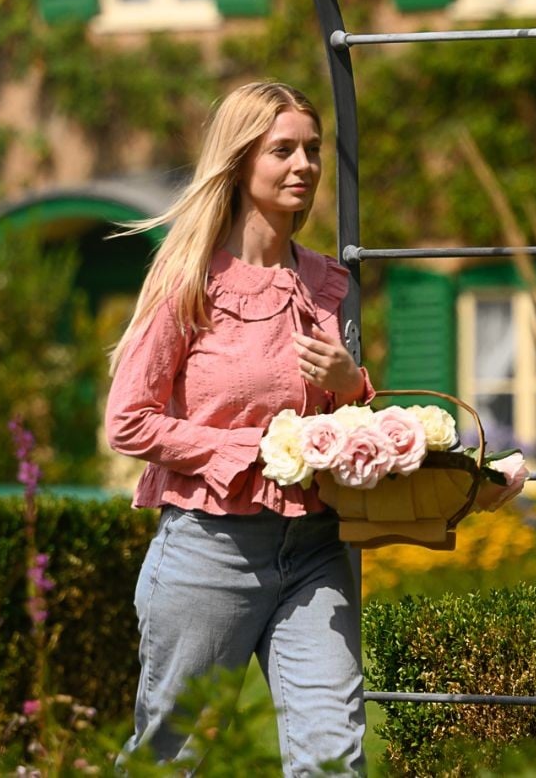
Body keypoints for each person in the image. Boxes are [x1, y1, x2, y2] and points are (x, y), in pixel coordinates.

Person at [105, 81, 372, 775]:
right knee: (171, 757)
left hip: (316, 547)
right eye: (282, 149)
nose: (305, 165)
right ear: (241, 162)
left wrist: (352, 387)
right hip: (210, 551)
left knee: (334, 759)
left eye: (312, 149)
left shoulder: (326, 284)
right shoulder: (188, 279)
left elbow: (345, 429)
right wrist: (245, 448)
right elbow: (128, 420)